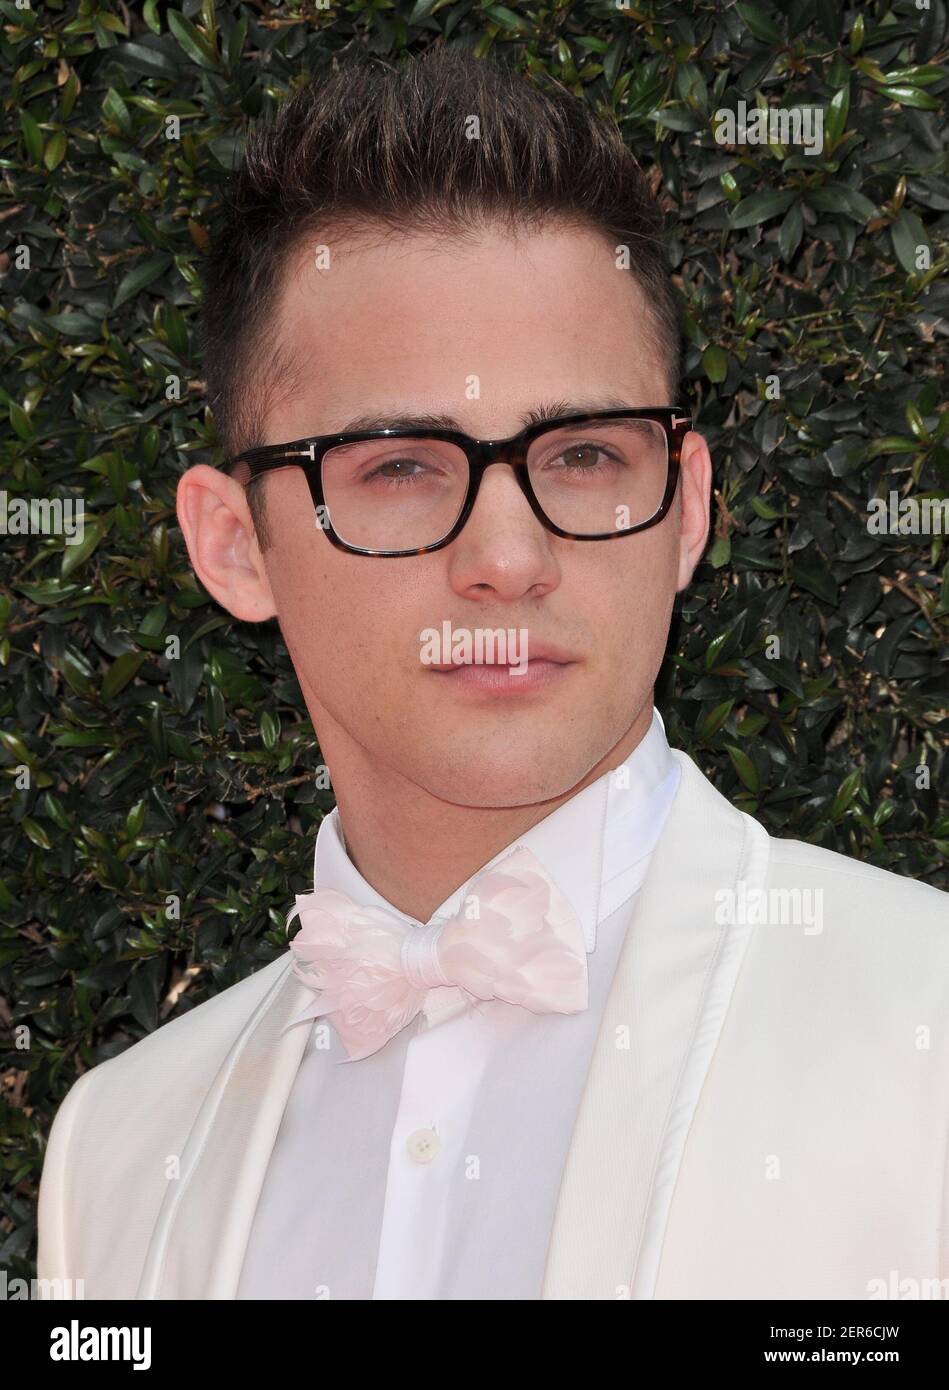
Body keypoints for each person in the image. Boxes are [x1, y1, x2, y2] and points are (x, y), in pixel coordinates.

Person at [38, 46, 948, 1301]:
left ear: (684, 511)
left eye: (581, 455)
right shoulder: (117, 1154)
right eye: (401, 465)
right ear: (234, 545)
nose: (509, 560)